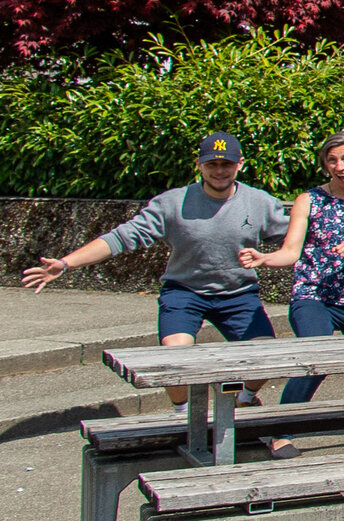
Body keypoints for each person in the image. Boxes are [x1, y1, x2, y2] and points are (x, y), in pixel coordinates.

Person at [21, 132, 284, 416]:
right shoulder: (172, 203)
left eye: (226, 164)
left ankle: (243, 398)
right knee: (175, 356)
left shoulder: (260, 203)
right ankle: (182, 412)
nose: (219, 171)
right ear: (199, 164)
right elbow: (121, 238)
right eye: (212, 164)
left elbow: (299, 237)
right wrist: (65, 264)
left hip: (238, 294)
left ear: (240, 164)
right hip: (185, 292)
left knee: (266, 354)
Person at [240, 131, 344, 446]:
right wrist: (265, 258)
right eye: (333, 160)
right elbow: (291, 251)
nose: (340, 166)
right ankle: (280, 432)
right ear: (325, 165)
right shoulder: (309, 200)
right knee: (315, 359)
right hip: (313, 296)